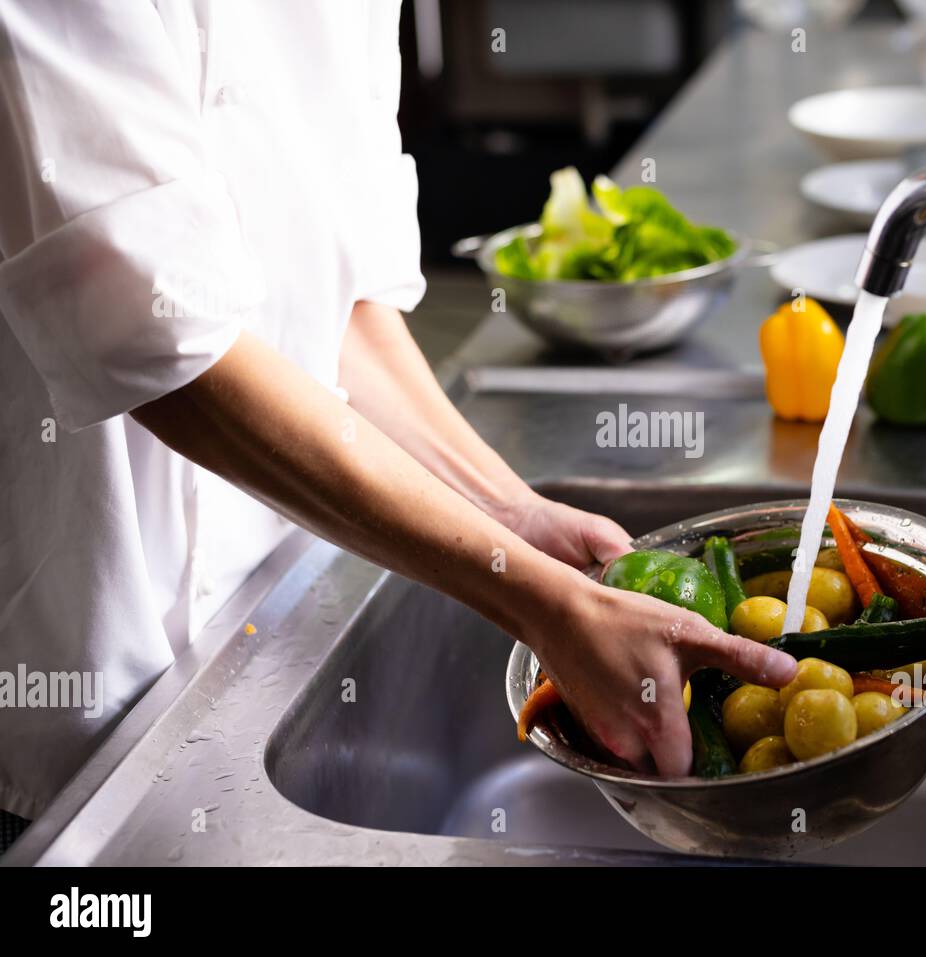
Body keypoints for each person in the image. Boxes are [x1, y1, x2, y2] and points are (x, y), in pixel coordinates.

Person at [0, 0, 796, 846]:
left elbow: (337, 312)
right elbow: (171, 360)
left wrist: (510, 515)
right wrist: (542, 604)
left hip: (261, 625)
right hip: (72, 690)